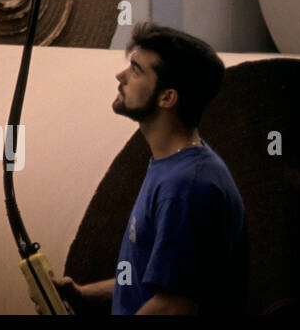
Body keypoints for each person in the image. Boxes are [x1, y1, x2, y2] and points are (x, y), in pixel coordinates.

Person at [54, 23, 248, 314]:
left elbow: (173, 305)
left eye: (136, 70)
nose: (120, 76)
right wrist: (83, 294)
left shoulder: (186, 186)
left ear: (167, 98)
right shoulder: (171, 166)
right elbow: (152, 280)